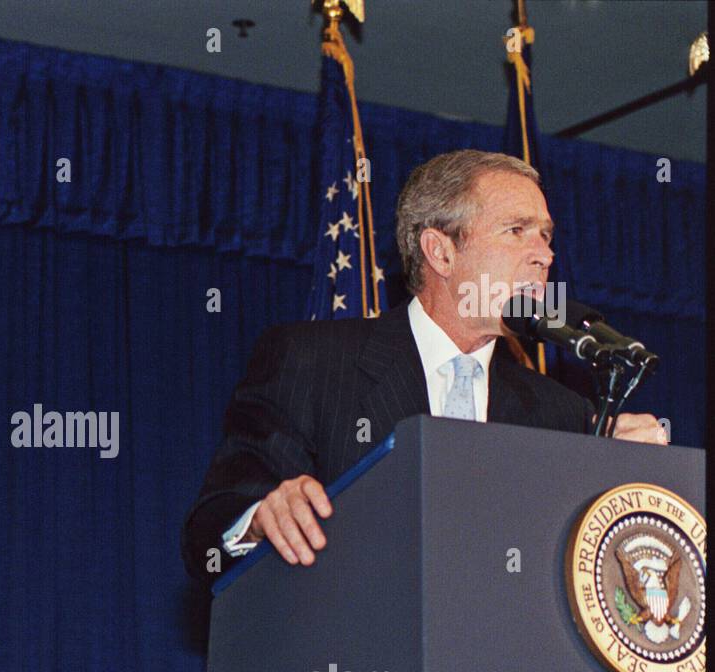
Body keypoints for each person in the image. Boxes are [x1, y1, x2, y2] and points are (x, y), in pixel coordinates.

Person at [182, 149, 668, 586]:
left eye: (545, 235)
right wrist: (261, 518)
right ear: (440, 251)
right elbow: (208, 538)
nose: (544, 254)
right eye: (516, 231)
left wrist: (623, 477)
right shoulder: (310, 362)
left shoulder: (563, 415)